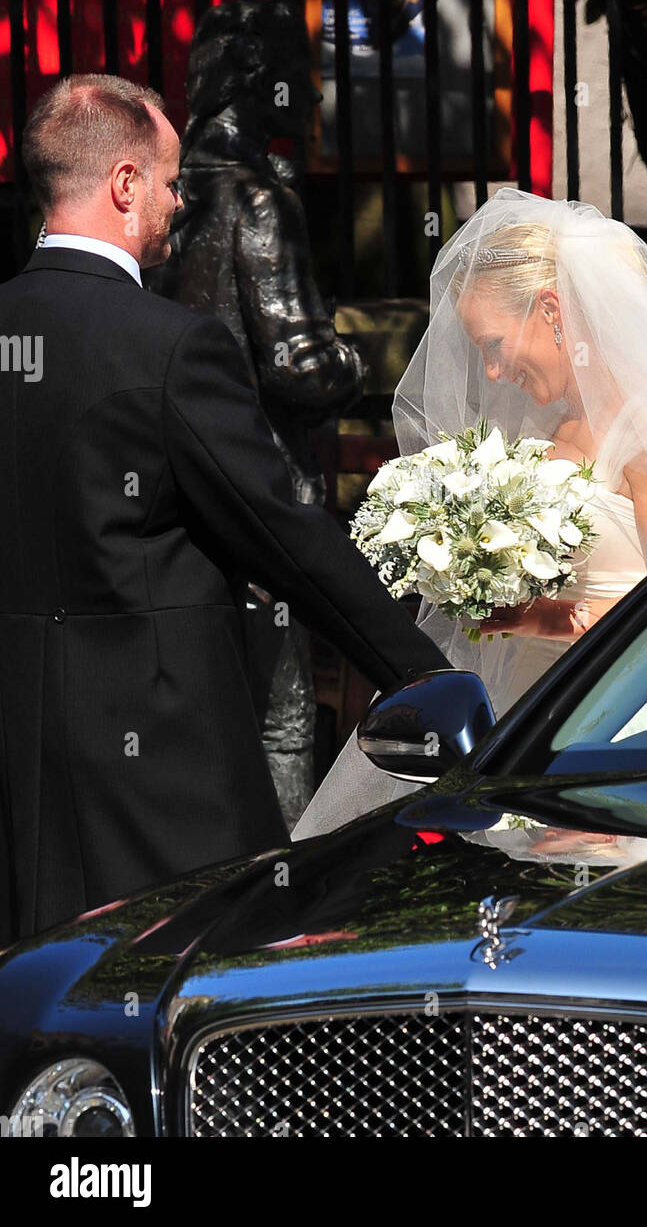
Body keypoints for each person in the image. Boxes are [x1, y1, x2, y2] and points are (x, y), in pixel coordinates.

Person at [0, 73, 449, 945]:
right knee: (189, 1006)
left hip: (17, 762)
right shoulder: (170, 347)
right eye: (170, 182)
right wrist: (425, 675)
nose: (178, 203)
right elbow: (283, 534)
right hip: (155, 767)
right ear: (124, 185)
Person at [293, 188, 647, 840]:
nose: (493, 372)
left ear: (552, 311)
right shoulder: (561, 424)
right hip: (527, 717)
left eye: (496, 344)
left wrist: (539, 616)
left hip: (623, 731)